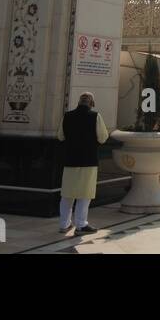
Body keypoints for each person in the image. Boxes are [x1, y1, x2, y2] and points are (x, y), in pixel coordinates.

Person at [57, 92, 110, 234]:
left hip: (70, 160)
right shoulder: (95, 116)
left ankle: (64, 224)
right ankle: (81, 224)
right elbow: (103, 137)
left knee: (67, 194)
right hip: (88, 161)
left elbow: (60, 136)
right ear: (92, 103)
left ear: (79, 102)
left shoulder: (67, 116)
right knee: (84, 194)